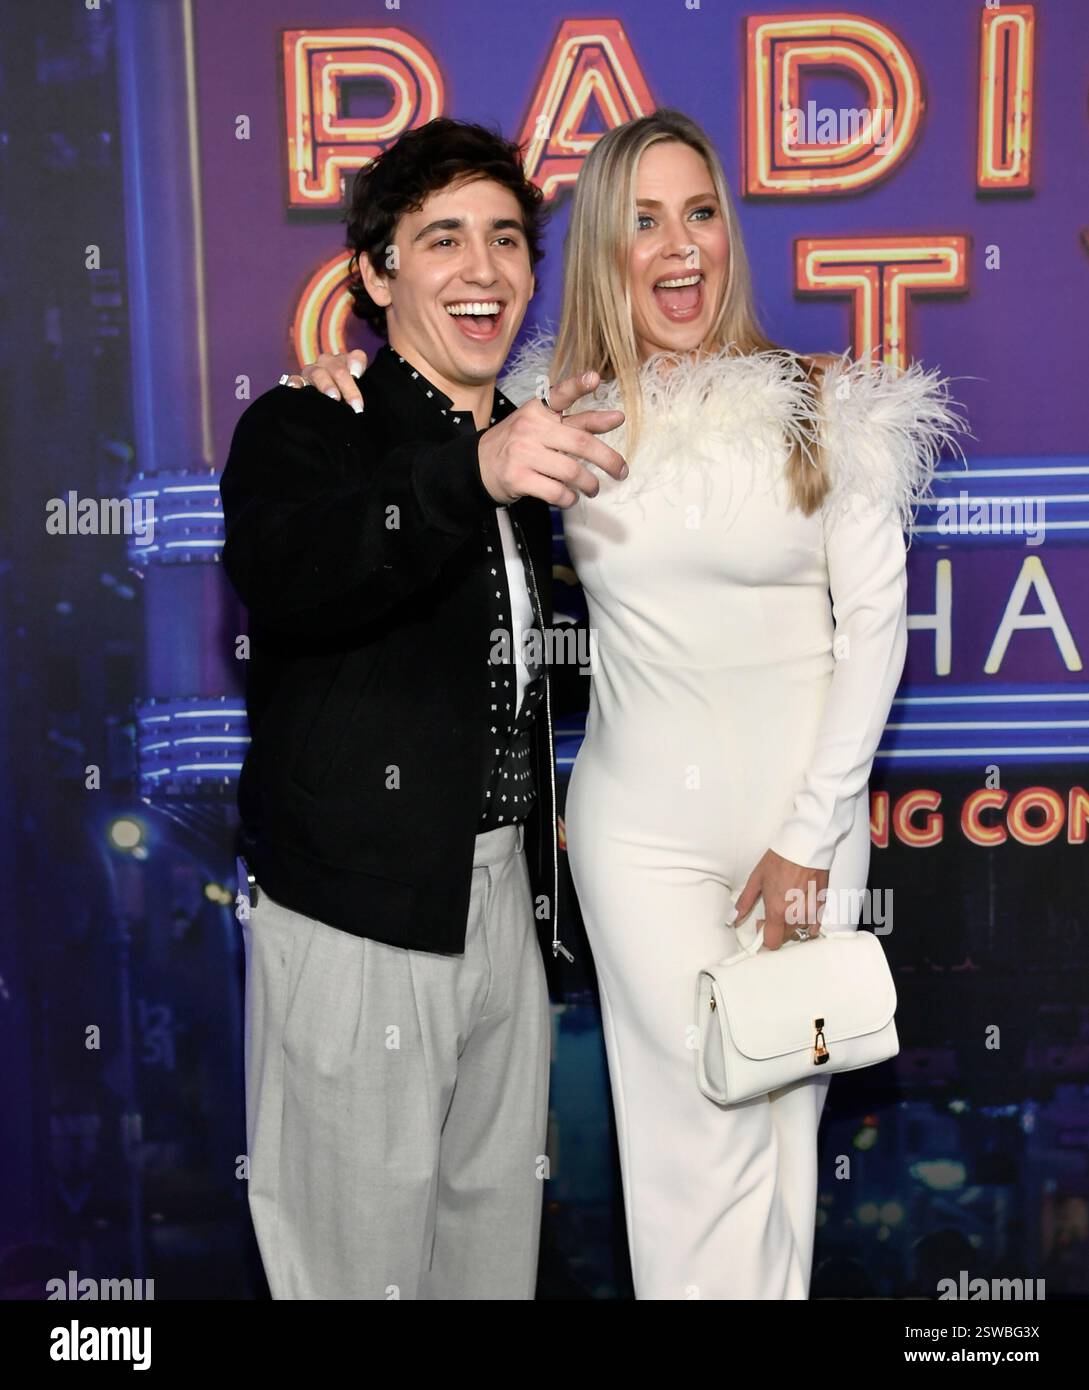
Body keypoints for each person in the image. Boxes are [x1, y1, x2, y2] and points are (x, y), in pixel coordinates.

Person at [294, 108, 971, 1299]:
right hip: (638, 839)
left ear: (729, 233)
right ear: (610, 247)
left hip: (800, 836)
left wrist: (810, 835)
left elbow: (875, 634)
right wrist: (345, 384)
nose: (680, 247)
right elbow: (421, 450)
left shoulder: (827, 405)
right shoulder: (553, 416)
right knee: (689, 1158)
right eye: (645, 220)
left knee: (779, 1156)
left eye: (700, 213)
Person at [219, 118, 626, 1300]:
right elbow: (301, 568)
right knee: (354, 1269)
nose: (484, 269)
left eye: (507, 239)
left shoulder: (527, 444)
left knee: (488, 1259)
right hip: (357, 914)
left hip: (503, 901)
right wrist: (471, 472)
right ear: (376, 274)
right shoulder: (309, 424)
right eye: (442, 238)